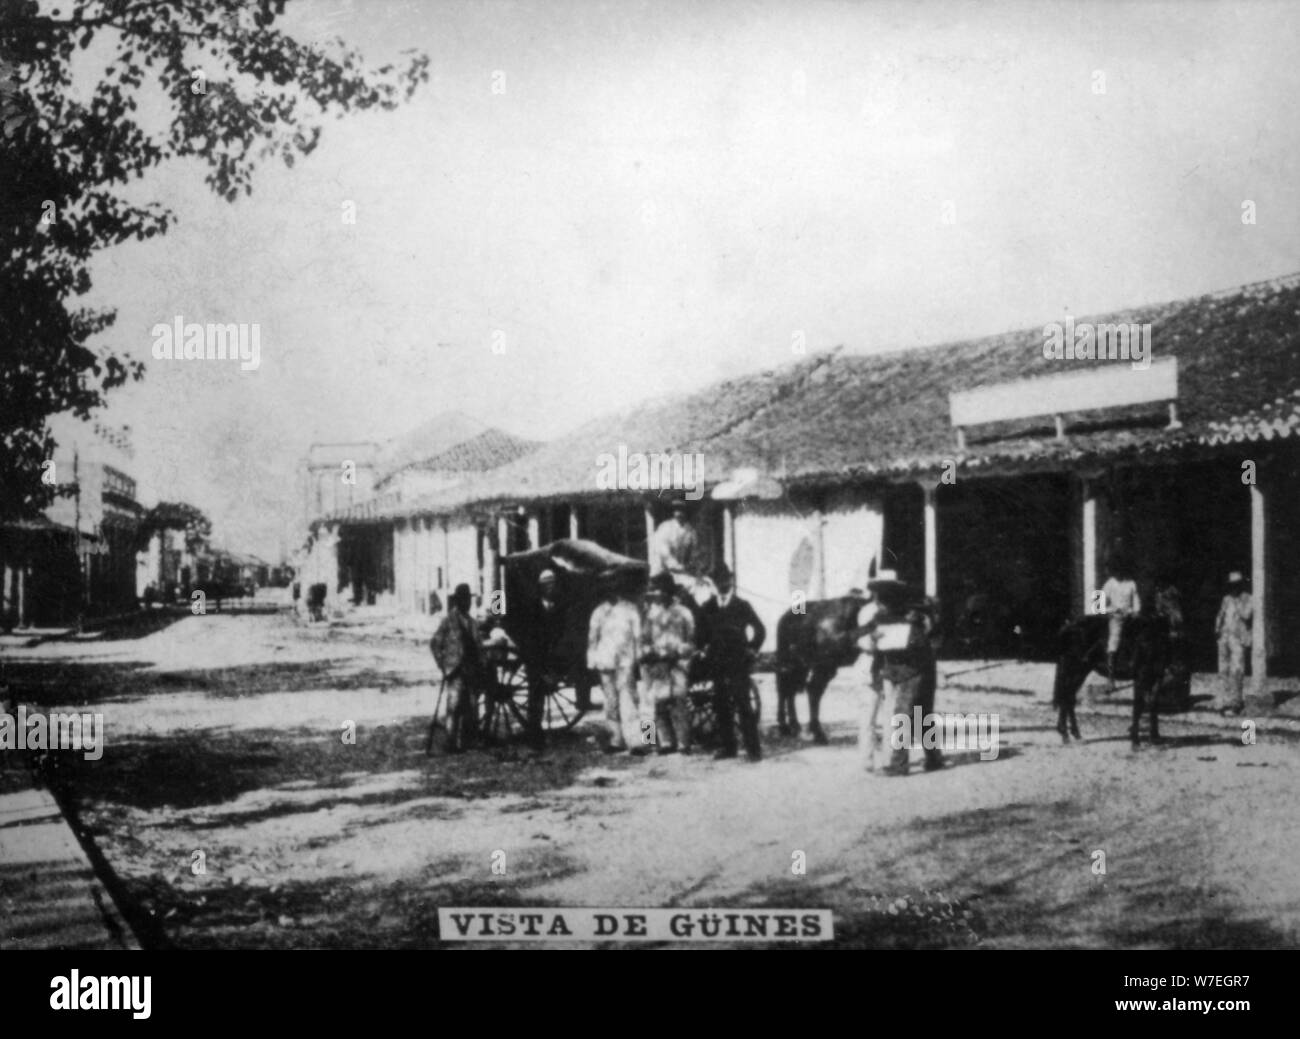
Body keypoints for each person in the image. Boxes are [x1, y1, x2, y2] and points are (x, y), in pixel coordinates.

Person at [866, 574, 942, 777]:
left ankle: (899, 765)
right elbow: (877, 651)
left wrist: (896, 642)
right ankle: (934, 758)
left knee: (902, 715)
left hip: (916, 671)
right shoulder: (880, 620)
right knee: (922, 716)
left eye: (883, 597)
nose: (879, 601)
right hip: (910, 672)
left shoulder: (912, 618)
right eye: (878, 596)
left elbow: (920, 645)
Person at [697, 564, 765, 761]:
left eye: (725, 580)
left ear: (731, 581)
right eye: (718, 582)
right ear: (714, 584)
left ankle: (754, 750)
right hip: (717, 663)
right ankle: (729, 748)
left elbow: (759, 629)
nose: (722, 584)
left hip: (738, 663)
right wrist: (702, 648)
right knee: (721, 705)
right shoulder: (707, 607)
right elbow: (700, 634)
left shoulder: (742, 605)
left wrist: (752, 648)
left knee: (743, 704)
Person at [640, 570, 696, 755]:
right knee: (652, 703)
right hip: (656, 665)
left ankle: (683, 742)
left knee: (678, 699)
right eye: (656, 591)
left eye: (663, 590)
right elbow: (644, 640)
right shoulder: (651, 615)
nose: (659, 595)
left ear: (670, 592)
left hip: (677, 664)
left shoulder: (684, 613)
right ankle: (657, 741)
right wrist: (648, 653)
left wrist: (678, 652)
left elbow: (691, 642)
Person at [587, 575, 643, 753]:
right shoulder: (599, 611)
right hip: (605, 661)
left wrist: (639, 659)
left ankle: (637, 742)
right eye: (607, 587)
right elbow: (592, 639)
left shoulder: (629, 609)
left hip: (625, 662)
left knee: (629, 700)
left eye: (614, 586)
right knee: (611, 702)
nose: (611, 591)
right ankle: (615, 740)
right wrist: (592, 661)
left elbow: (638, 636)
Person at [429, 583, 485, 753]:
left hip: (471, 668)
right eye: (464, 599)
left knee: (472, 704)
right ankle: (451, 742)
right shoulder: (448, 621)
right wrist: (443, 665)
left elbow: (479, 647)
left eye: (469, 599)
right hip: (455, 669)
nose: (467, 603)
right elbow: (435, 643)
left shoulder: (473, 623)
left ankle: (468, 740)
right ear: (457, 601)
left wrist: (482, 664)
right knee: (454, 705)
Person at [848, 583, 885, 771]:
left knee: (894, 715)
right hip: (869, 666)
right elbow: (863, 640)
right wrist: (876, 639)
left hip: (891, 667)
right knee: (868, 715)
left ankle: (892, 758)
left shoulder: (899, 611)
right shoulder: (868, 611)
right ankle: (867, 758)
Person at [1215, 571, 1253, 715]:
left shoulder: (1247, 598)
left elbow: (1247, 614)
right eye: (1232, 585)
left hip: (1238, 638)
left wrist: (1238, 603)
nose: (1234, 588)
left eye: (1236, 585)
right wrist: (1217, 628)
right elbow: (1220, 614)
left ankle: (1236, 703)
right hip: (1225, 637)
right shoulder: (1226, 599)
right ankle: (1223, 702)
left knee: (1237, 671)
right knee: (1223, 670)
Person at [1101, 558, 1141, 688]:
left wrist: (1136, 611)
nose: (1119, 573)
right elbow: (1096, 605)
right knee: (1114, 642)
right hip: (1116, 618)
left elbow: (1136, 600)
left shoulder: (1131, 583)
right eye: (1116, 570)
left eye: (1121, 569)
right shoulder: (1109, 583)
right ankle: (1110, 678)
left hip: (1130, 617)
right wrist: (1111, 610)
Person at [650, 501, 706, 588]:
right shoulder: (665, 528)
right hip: (664, 572)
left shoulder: (690, 531)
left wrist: (693, 567)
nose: (679, 513)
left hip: (683, 572)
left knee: (701, 585)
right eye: (676, 510)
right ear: (673, 512)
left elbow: (695, 552)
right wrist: (678, 567)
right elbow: (664, 553)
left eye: (682, 510)